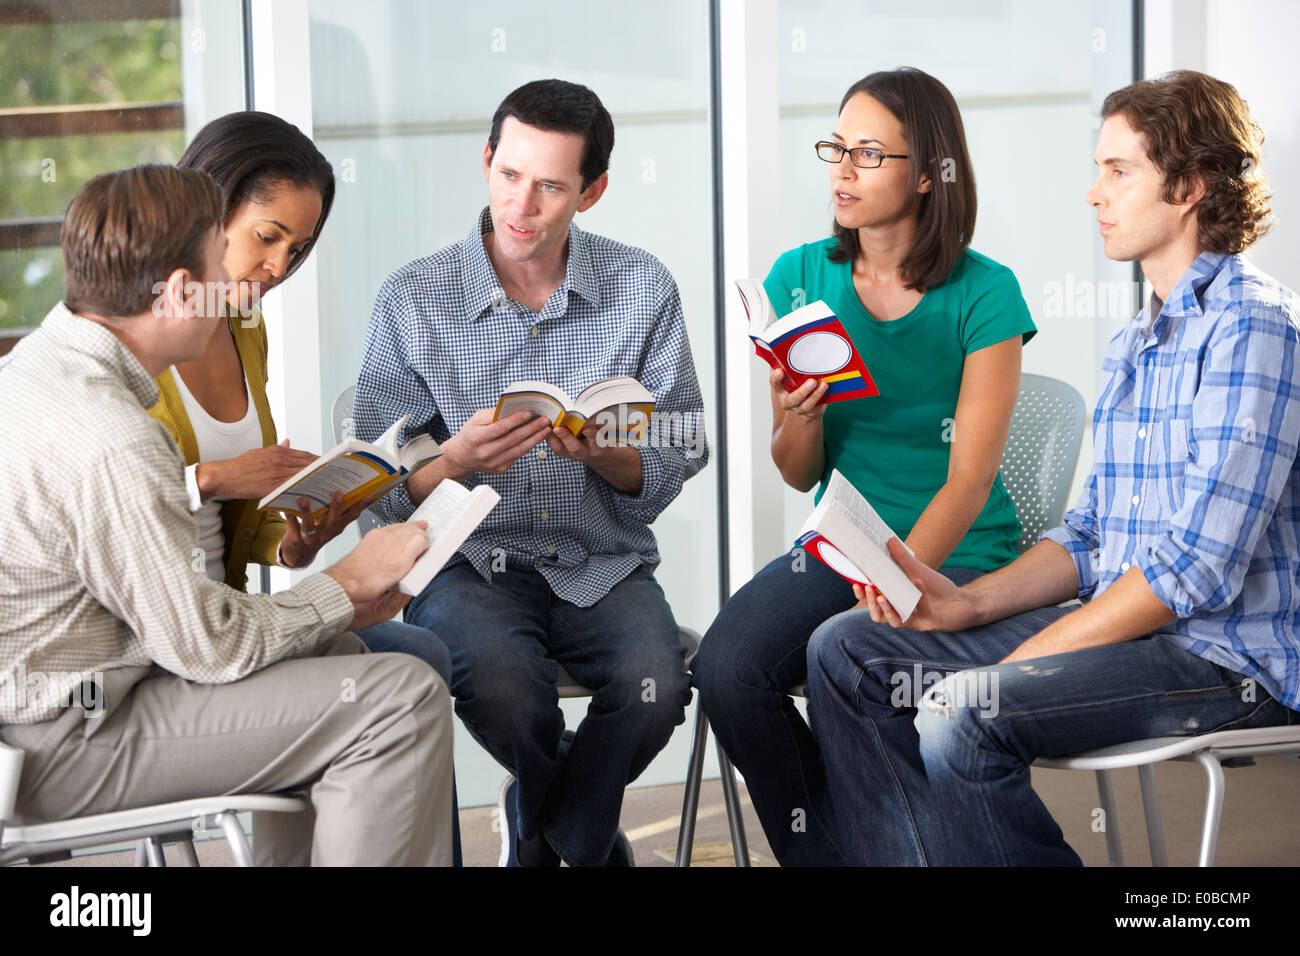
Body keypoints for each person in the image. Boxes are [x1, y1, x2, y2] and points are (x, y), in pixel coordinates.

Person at [807, 69, 1300, 866]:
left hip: (1220, 659)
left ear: (1190, 187)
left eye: (1119, 170)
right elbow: (1092, 536)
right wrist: (965, 606)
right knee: (848, 652)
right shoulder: (1136, 342)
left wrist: (1031, 656)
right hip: (1129, 629)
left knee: (963, 714)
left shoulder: (1254, 331)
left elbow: (1195, 574)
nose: (1093, 193)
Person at [0, 164, 454, 866]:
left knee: (336, 656)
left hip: (60, 708)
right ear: (182, 290)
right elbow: (207, 648)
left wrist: (330, 611)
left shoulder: (36, 367)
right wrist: (349, 580)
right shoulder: (111, 436)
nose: (241, 291)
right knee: (398, 698)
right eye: (222, 267)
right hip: (64, 745)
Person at [352, 79, 707, 867]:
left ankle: (542, 826)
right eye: (510, 175)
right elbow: (374, 487)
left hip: (599, 560)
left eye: (550, 185)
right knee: (505, 687)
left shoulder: (643, 287)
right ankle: (583, 840)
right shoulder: (414, 298)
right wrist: (454, 461)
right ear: (486, 161)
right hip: (470, 564)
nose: (524, 204)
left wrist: (607, 455)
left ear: (593, 190)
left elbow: (684, 442)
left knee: (657, 688)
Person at [693, 67, 1035, 865]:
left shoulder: (986, 294)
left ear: (927, 173)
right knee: (726, 668)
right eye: (836, 147)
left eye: (868, 153)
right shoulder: (798, 278)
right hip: (841, 538)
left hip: (951, 549)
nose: (841, 169)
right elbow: (790, 468)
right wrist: (802, 418)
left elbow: (970, 480)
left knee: (852, 663)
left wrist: (902, 576)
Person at [154, 111, 453, 678]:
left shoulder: (243, 326)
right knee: (406, 666)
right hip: (174, 631)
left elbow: (244, 517)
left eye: (296, 249)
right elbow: (96, 500)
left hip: (234, 610)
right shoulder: (133, 339)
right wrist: (213, 476)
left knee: (422, 653)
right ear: (206, 209)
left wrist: (297, 543)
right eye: (268, 237)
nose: (278, 268)